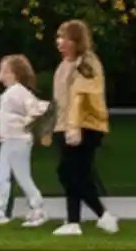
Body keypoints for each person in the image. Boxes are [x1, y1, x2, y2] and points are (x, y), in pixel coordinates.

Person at [43, 19, 119, 236]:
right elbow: (59, 100)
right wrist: (50, 127)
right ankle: (73, 221)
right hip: (65, 126)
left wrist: (74, 127)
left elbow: (80, 97)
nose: (59, 42)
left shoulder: (87, 63)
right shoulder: (63, 65)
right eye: (58, 37)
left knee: (70, 173)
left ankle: (103, 215)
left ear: (76, 41)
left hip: (85, 126)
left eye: (64, 38)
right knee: (75, 175)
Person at [0, 54, 49, 226]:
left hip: (17, 141)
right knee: (3, 177)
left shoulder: (17, 92)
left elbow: (37, 108)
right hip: (9, 141)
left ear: (13, 73)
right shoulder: (11, 92)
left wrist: (26, 123)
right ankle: (0, 210)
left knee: (22, 176)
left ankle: (37, 208)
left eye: (4, 70)